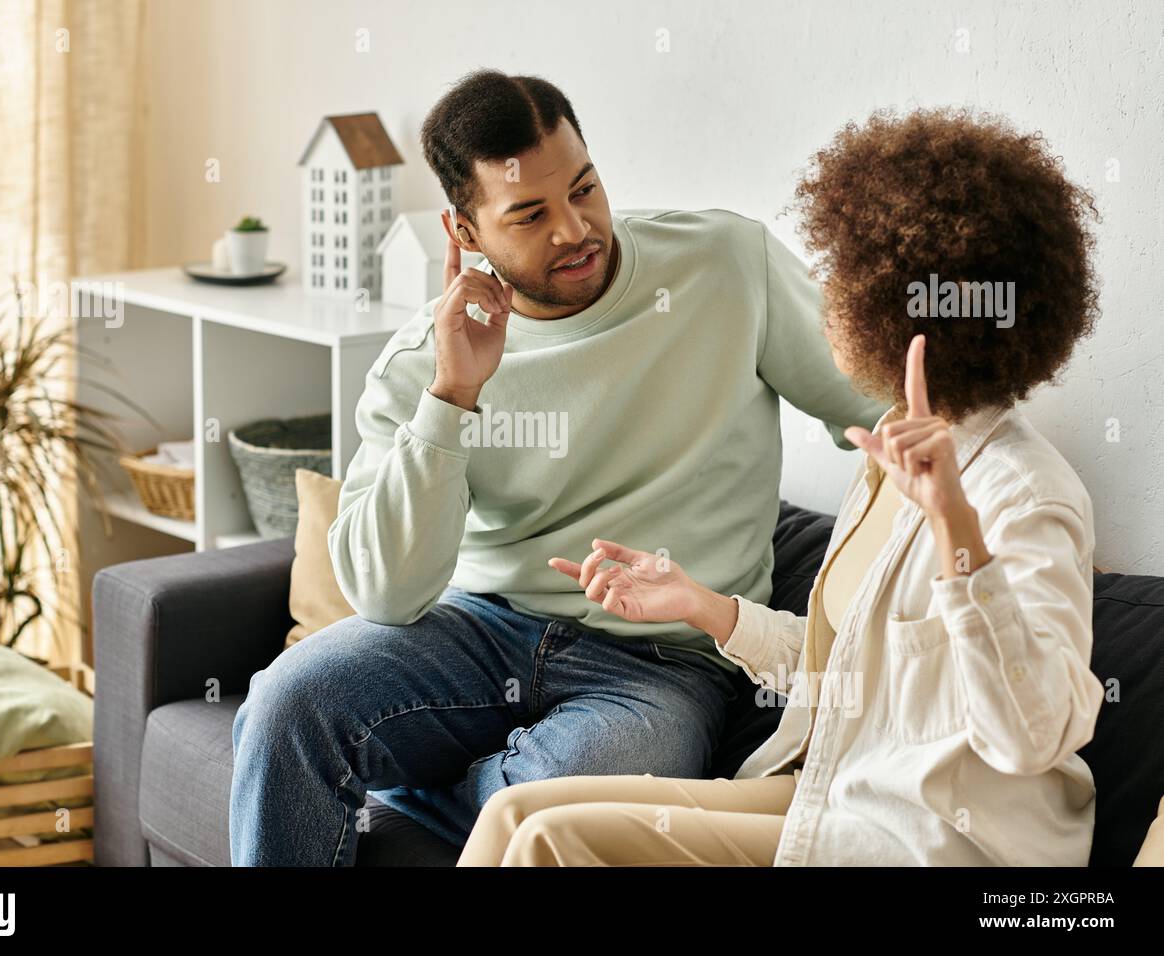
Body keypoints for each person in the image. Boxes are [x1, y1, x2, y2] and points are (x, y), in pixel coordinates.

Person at [228, 69, 885, 865]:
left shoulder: (726, 266)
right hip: (478, 629)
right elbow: (386, 594)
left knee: (562, 798)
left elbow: (882, 415)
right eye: (531, 215)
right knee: (283, 705)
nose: (576, 230)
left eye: (584, 189)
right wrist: (453, 394)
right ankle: (464, 785)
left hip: (662, 664)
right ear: (465, 233)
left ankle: (442, 789)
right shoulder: (422, 363)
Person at [457, 107, 1104, 867]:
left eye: (844, 274)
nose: (824, 293)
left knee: (551, 842)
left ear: (899, 308)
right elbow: (851, 674)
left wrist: (955, 527)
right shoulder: (888, 460)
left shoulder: (1024, 494)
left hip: (939, 842)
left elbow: (1035, 734)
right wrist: (700, 605)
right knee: (517, 810)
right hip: (838, 793)